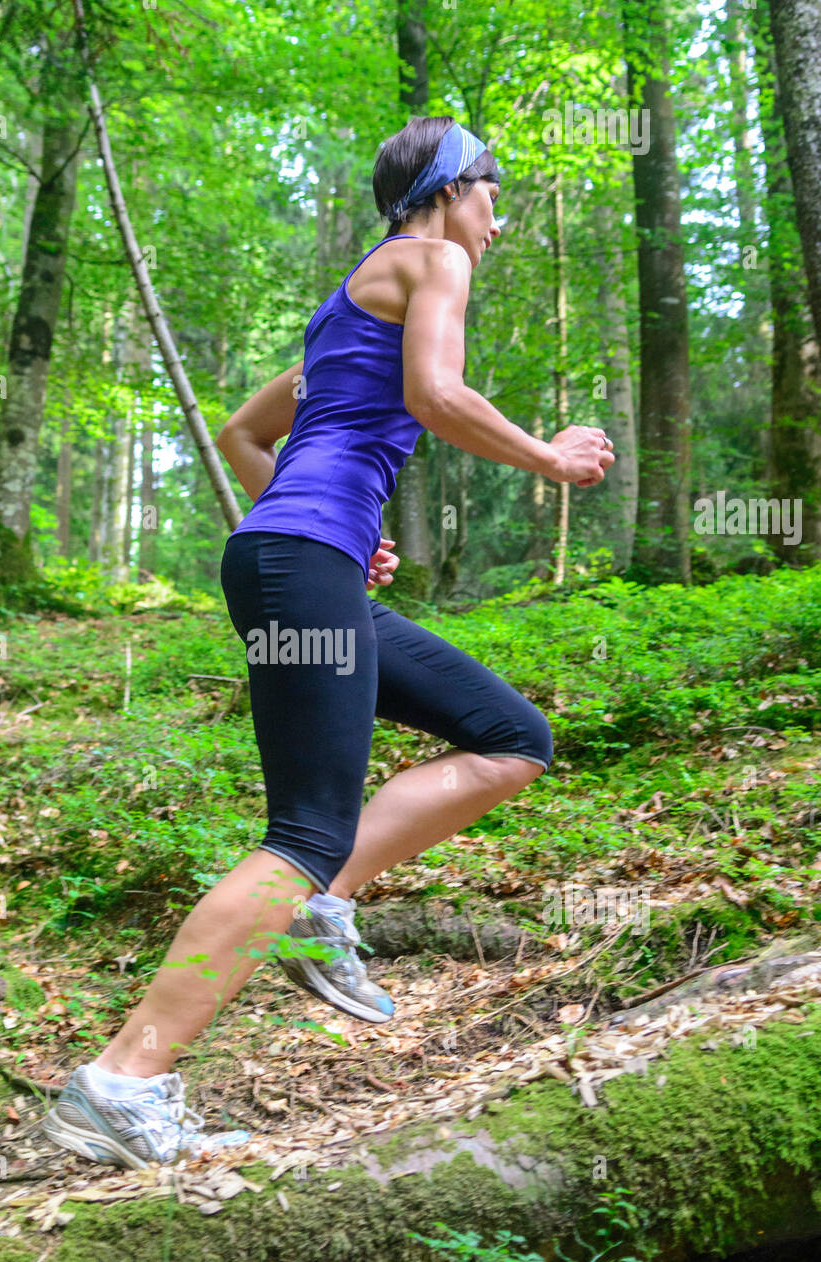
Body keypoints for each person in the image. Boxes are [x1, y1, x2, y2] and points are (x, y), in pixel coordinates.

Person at [42, 115, 614, 1169]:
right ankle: (122, 1081)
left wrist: (348, 534)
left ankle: (323, 905)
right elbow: (432, 396)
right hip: (297, 566)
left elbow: (241, 436)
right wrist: (548, 456)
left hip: (302, 563)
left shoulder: (342, 314)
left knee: (506, 733)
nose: (499, 215)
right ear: (450, 186)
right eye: (494, 190)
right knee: (301, 830)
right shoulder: (432, 256)